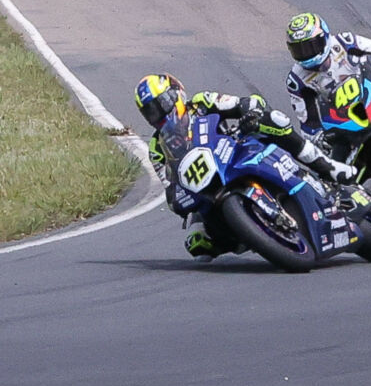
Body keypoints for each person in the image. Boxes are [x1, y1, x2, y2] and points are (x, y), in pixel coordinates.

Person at [136, 74, 356, 260]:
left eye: (161, 104)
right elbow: (168, 183)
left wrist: (251, 112)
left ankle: (327, 166)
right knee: (197, 244)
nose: (157, 114)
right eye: (150, 111)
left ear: (176, 94)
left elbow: (244, 103)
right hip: (206, 187)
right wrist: (175, 196)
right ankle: (243, 234)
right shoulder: (156, 147)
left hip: (236, 151)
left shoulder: (201, 102)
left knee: (274, 121)